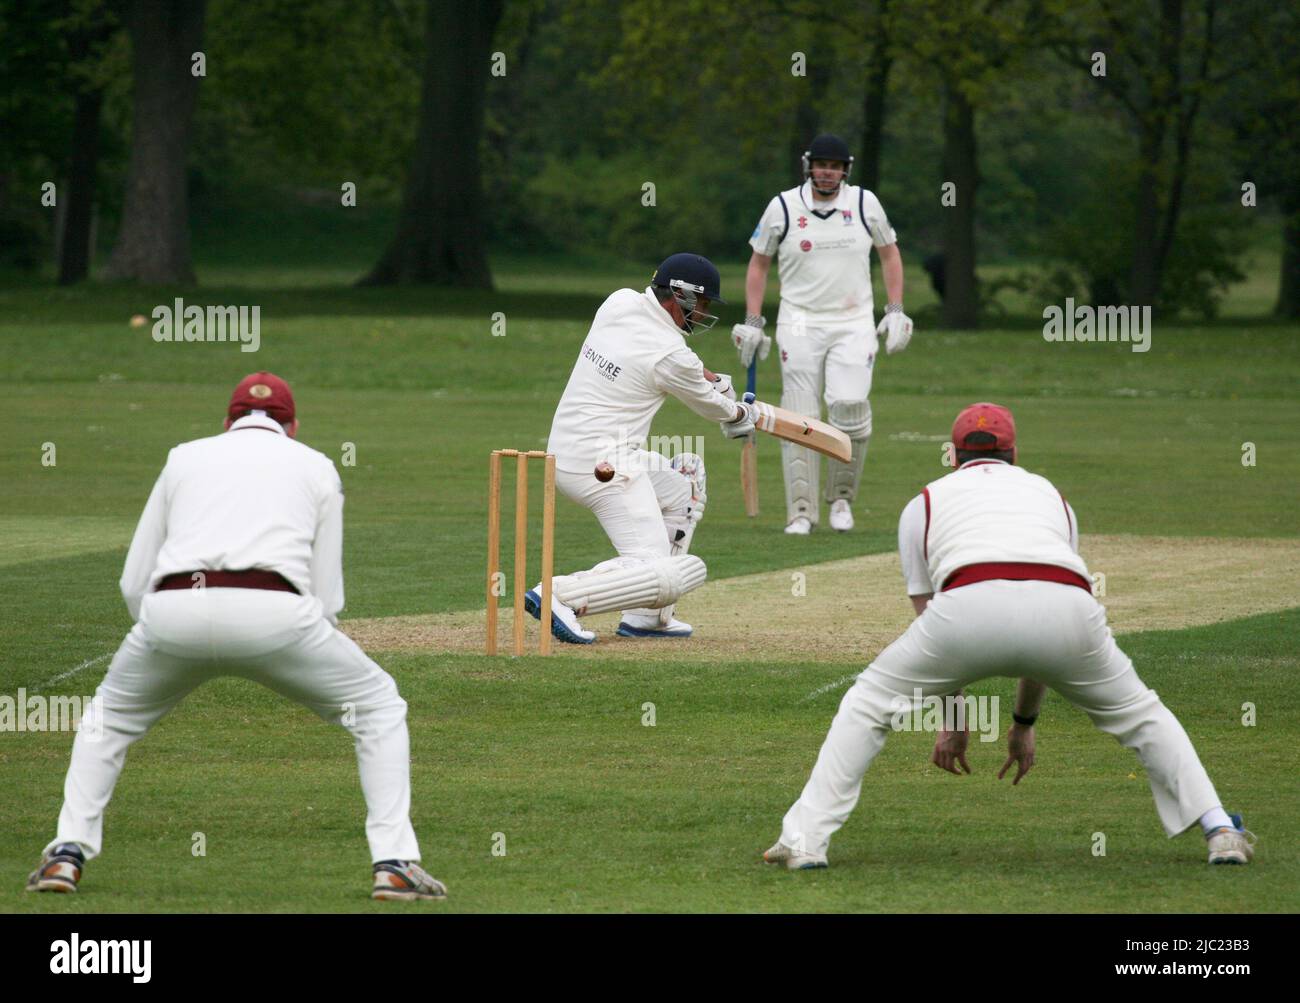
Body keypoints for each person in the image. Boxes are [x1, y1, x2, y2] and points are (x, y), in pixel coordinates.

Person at [763, 402, 1256, 869]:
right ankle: (1220, 830)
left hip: (967, 608)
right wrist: (1022, 722)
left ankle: (805, 843)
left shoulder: (925, 501)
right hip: (1069, 610)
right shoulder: (1053, 497)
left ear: (954, 455)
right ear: (1014, 453)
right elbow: (1036, 614)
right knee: (1143, 715)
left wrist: (955, 719)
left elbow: (929, 616)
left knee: (868, 703)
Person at [26, 373, 447, 901]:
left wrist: (155, 630)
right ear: (292, 427)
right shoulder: (316, 464)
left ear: (227, 421)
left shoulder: (183, 456)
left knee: (105, 720)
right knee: (379, 706)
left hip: (172, 609)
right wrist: (309, 649)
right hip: (276, 611)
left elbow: (134, 578)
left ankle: (66, 853)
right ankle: (393, 863)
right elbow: (328, 594)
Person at [532, 253, 757, 643]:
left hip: (574, 450)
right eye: (702, 305)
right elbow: (712, 407)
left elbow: (689, 370)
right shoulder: (670, 354)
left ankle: (646, 616)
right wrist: (740, 413)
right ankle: (558, 594)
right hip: (602, 465)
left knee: (682, 484)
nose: (703, 315)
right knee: (656, 570)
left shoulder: (619, 301)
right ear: (680, 296)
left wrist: (716, 382)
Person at [732, 132, 911, 535]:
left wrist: (895, 310)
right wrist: (753, 321)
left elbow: (889, 254)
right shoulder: (782, 207)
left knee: (849, 406)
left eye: (835, 166)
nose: (827, 173)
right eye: (821, 165)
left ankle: (842, 500)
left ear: (845, 169)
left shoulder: (865, 204)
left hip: (853, 320)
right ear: (808, 166)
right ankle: (800, 510)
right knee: (799, 413)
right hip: (799, 319)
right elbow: (759, 264)